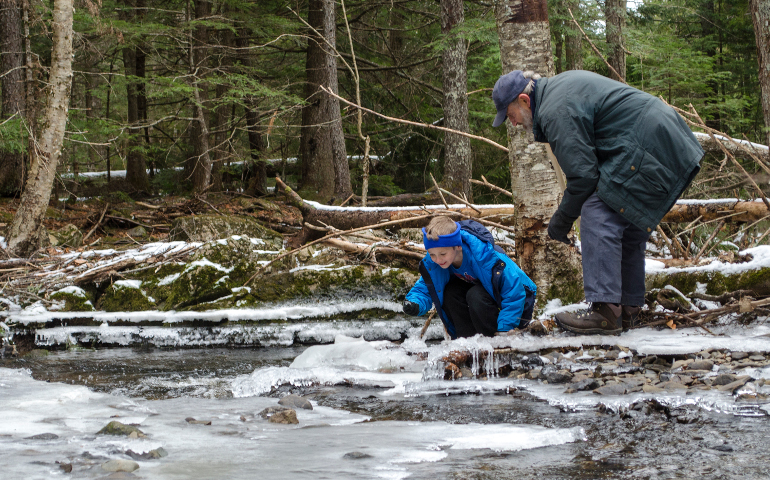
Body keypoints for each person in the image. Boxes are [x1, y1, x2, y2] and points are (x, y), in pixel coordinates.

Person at [491, 69, 703, 335]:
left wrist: (561, 221)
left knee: (597, 208)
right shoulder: (558, 94)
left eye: (510, 116)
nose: (513, 123)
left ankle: (604, 310)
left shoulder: (555, 110)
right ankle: (628, 308)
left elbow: (583, 178)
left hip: (654, 140)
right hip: (671, 139)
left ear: (524, 100)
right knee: (626, 214)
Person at [402, 216, 537, 338]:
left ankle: (491, 341)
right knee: (450, 293)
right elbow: (428, 285)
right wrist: (414, 303)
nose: (437, 259)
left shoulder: (484, 257)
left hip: (521, 297)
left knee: (475, 295)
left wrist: (504, 330)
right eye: (432, 254)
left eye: (442, 254)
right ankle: (467, 342)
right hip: (487, 296)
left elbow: (514, 292)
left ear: (458, 246)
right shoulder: (438, 262)